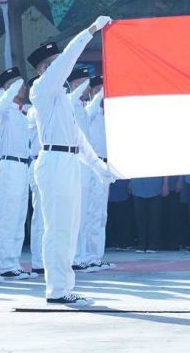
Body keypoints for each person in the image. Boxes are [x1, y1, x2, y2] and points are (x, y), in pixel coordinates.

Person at [27, 16, 115, 306]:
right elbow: (66, 60)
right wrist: (90, 30)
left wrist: (100, 168)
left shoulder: (61, 98)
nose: (61, 66)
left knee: (69, 226)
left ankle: (64, 286)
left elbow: (78, 138)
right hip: (53, 161)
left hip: (67, 161)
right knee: (58, 228)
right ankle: (57, 289)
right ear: (44, 69)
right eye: (53, 63)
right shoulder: (41, 88)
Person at [0, 67, 34, 281]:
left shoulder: (21, 110)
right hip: (7, 165)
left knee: (19, 217)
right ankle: (6, 263)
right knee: (8, 217)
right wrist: (8, 91)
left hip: (21, 166)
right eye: (19, 84)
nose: (24, 88)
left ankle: (13, 261)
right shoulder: (3, 106)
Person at [83, 77, 115, 270]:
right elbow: (88, 114)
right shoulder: (88, 109)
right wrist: (100, 94)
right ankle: (87, 256)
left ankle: (96, 255)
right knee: (91, 213)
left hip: (104, 166)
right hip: (92, 166)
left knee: (101, 215)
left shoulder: (105, 113)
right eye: (100, 89)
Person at [68, 66, 95, 272]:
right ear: (76, 85)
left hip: (86, 164)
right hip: (77, 163)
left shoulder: (81, 106)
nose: (89, 87)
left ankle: (82, 256)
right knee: (76, 213)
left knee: (85, 213)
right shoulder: (70, 104)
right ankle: (75, 258)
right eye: (85, 83)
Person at [26, 76, 45, 276]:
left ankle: (47, 259)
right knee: (40, 216)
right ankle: (38, 261)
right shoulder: (33, 111)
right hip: (39, 160)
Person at [129, 177, 167, 253]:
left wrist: (165, 184)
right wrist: (129, 183)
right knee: (140, 219)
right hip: (137, 186)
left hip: (155, 186)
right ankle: (141, 244)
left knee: (154, 218)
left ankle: (153, 245)